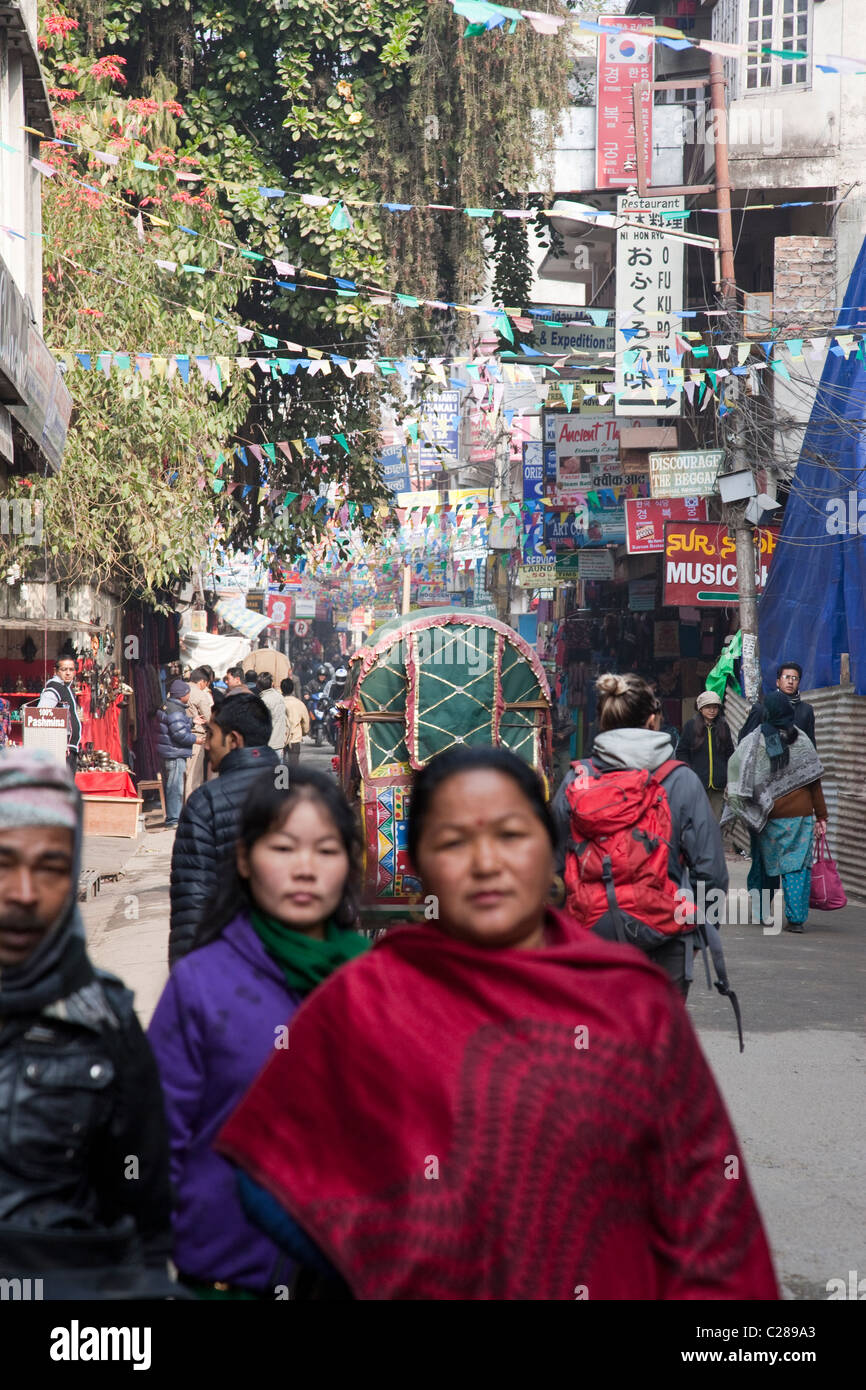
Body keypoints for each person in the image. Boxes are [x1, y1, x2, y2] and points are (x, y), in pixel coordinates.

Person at [216, 746, 777, 1301]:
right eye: (454, 842)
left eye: (510, 836)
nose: (486, 863)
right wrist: (383, 1255)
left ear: (550, 850)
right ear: (417, 864)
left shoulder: (629, 1002)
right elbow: (267, 1173)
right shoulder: (365, 1000)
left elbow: (708, 1209)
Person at [149, 771, 368, 1298]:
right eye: (284, 847)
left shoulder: (373, 985)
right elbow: (154, 1147)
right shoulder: (200, 985)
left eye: (326, 850)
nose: (305, 869)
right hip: (230, 1280)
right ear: (245, 860)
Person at [0, 749, 176, 1298]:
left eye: (50, 867)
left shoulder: (107, 1024)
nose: (24, 893)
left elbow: (144, 1219)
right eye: (3, 862)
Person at [552, 673, 729, 999]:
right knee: (656, 1042)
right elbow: (711, 871)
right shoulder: (682, 780)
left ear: (603, 720)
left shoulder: (576, 780)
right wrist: (700, 935)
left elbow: (550, 870)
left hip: (588, 934)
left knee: (593, 1039)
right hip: (666, 936)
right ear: (652, 719)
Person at [168, 694, 278, 966]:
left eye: (211, 734)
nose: (205, 744)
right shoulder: (303, 791)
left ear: (233, 741)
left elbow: (192, 905)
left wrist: (187, 981)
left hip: (231, 966)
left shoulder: (204, 802)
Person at [724, 690, 827, 934]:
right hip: (801, 815)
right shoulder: (800, 738)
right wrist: (821, 816)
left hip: (768, 815)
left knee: (766, 864)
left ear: (767, 712)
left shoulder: (755, 740)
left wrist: (742, 802)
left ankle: (762, 911)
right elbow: (814, 781)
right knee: (797, 867)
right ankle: (796, 919)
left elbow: (737, 768)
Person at [677, 691, 734, 822]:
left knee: (715, 821)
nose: (712, 710)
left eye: (715, 707)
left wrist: (727, 775)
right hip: (698, 783)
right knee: (698, 820)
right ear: (700, 708)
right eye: (708, 707)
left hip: (718, 784)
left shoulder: (723, 726)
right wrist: (689, 771)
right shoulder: (691, 726)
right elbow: (681, 751)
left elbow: (730, 753)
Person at [155, 679, 199, 828]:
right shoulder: (175, 710)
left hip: (168, 751)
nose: (189, 695)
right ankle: (173, 820)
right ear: (182, 695)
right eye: (188, 693)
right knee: (175, 787)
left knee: (172, 785)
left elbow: (176, 724)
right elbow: (179, 734)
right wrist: (196, 739)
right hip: (174, 753)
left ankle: (173, 817)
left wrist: (192, 721)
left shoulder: (169, 706)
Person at [738, 662, 816, 746]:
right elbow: (745, 743)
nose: (790, 681)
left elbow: (810, 744)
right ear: (778, 682)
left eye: (795, 678)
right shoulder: (761, 708)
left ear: (799, 683)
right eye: (786, 677)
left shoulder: (806, 710)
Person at [38, 655, 83, 773]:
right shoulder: (54, 689)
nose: (68, 673)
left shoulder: (66, 687)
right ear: (56, 671)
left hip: (68, 748)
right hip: (61, 749)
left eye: (71, 669)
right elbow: (41, 714)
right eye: (64, 669)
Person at [184, 667, 214, 800]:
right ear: (202, 682)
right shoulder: (200, 695)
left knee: (181, 776)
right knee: (193, 777)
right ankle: (191, 808)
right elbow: (208, 718)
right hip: (196, 737)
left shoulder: (177, 690)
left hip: (176, 737)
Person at [256, 672, 287, 755]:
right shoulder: (280, 697)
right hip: (279, 743)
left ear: (258, 685)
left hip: (267, 746)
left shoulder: (263, 701)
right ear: (272, 684)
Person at [281, 677, 310, 766]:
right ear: (293, 689)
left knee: (280, 767)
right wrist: (304, 733)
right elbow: (306, 722)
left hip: (280, 739)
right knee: (294, 767)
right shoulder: (299, 704)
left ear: (282, 689)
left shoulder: (278, 702)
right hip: (295, 739)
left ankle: (282, 779)